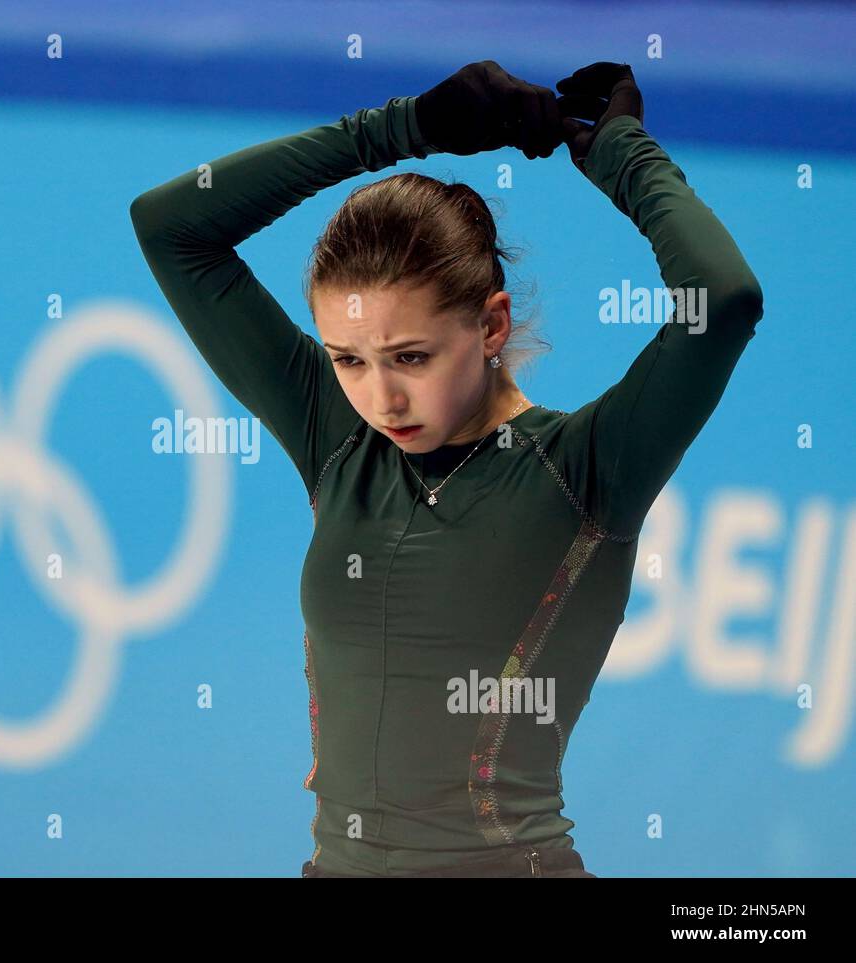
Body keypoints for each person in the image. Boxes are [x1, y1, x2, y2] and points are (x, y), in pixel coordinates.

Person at [129, 61, 763, 877]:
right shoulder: (336, 441)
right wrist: (398, 128)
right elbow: (170, 225)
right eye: (347, 360)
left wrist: (623, 156)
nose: (381, 396)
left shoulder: (586, 468)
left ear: (491, 324)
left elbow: (725, 298)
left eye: (412, 356)